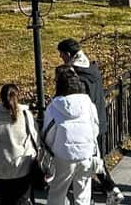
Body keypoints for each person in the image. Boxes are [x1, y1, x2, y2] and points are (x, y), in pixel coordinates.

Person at [57, 39, 124, 205]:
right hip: (97, 119)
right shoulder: (92, 69)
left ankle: (105, 190)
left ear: (68, 54)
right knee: (94, 158)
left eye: (61, 54)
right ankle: (111, 189)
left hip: (83, 124)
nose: (60, 57)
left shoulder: (75, 74)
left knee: (89, 161)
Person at [42, 66, 99, 205]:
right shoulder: (88, 104)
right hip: (86, 153)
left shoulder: (54, 106)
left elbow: (48, 133)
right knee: (83, 193)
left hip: (63, 155)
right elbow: (95, 128)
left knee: (58, 192)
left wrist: (51, 149)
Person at [0, 84, 39, 205]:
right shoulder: (25, 114)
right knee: (22, 199)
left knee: (3, 199)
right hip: (22, 164)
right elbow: (35, 137)